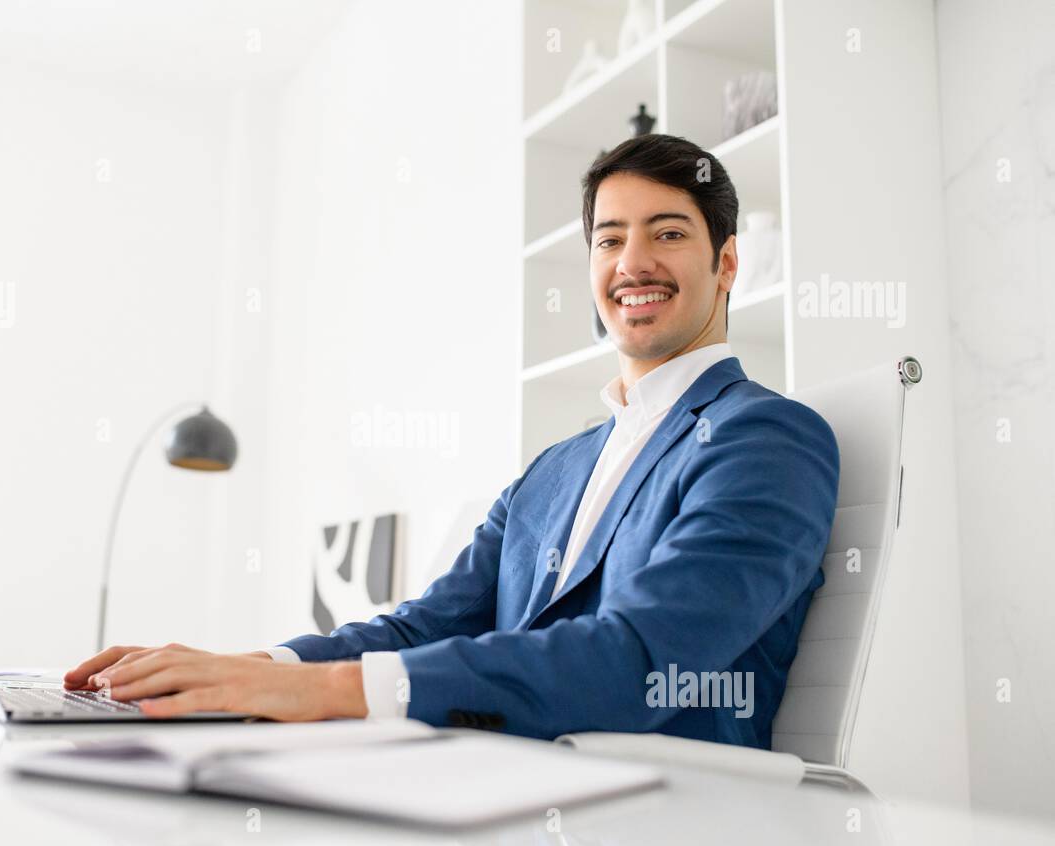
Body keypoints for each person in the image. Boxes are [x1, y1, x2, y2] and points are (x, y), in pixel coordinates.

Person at [64, 134, 839, 747]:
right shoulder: (554, 469)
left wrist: (319, 694)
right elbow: (423, 626)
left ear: (727, 261)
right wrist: (251, 668)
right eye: (608, 240)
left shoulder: (763, 436)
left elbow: (641, 662)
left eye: (667, 233)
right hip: (501, 782)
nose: (632, 262)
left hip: (663, 808)